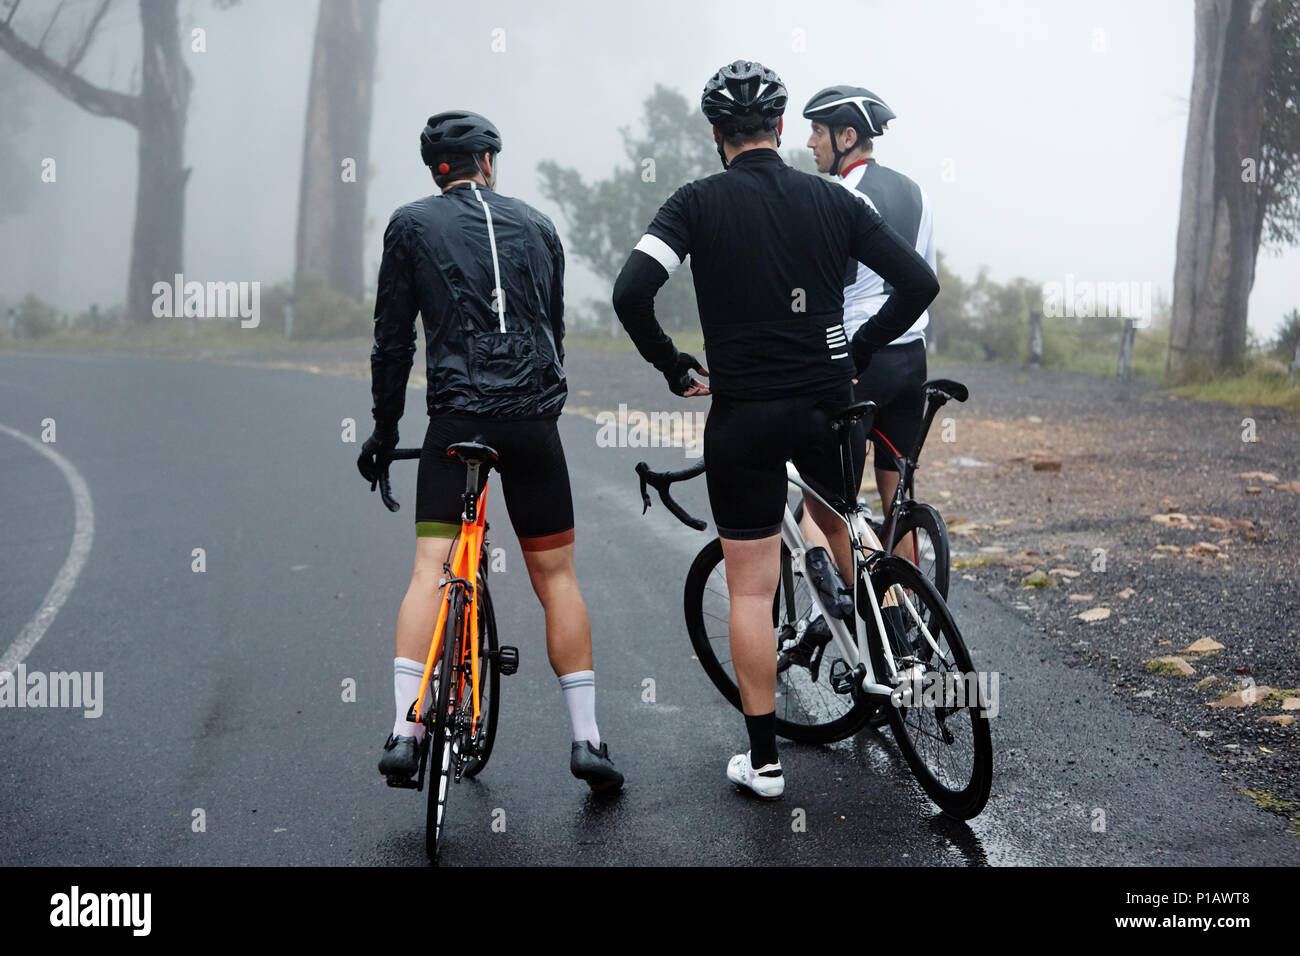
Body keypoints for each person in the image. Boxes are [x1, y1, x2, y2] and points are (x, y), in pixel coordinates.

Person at [612, 61, 938, 798]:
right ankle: (889, 660)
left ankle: (763, 763)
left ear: (716, 136)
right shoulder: (830, 198)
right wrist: (853, 350)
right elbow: (917, 281)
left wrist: (674, 367)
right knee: (844, 521)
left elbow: (632, 291)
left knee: (753, 591)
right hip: (830, 404)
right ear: (783, 129)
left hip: (745, 415)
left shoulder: (694, 203)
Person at [357, 110, 622, 792]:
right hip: (531, 420)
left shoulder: (410, 225)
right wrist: (541, 408)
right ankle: (588, 741)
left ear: (436, 170)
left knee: (430, 570)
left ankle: (404, 731)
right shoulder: (537, 225)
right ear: (489, 163)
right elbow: (553, 332)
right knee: (557, 578)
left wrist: (386, 434)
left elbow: (393, 343)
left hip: (457, 421)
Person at [803, 85, 935, 535]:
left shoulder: (840, 196)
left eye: (817, 131)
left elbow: (825, 289)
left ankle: (842, 604)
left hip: (861, 354)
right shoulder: (918, 193)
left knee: (827, 500)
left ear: (846, 136)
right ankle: (907, 603)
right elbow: (924, 275)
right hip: (911, 356)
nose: (809, 143)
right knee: (897, 496)